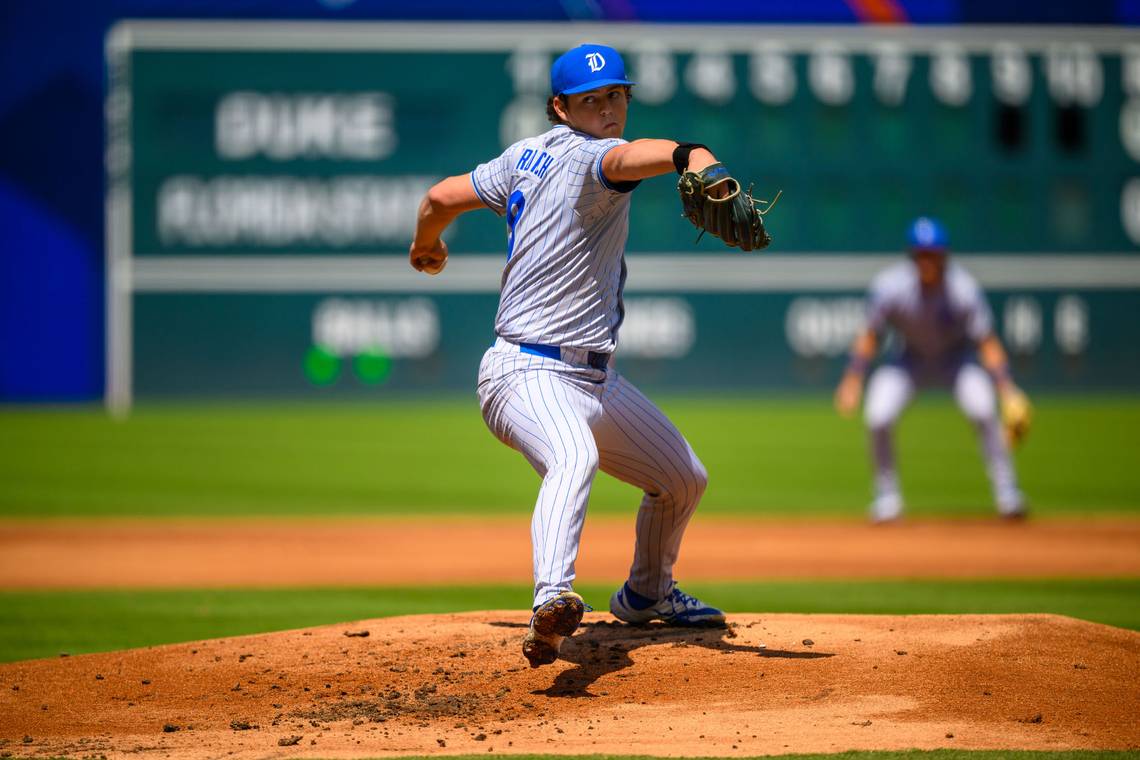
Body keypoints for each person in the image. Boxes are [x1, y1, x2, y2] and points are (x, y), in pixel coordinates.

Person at [409, 43, 732, 668]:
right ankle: (551, 599)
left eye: (616, 96)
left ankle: (646, 593)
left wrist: (427, 244)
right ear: (561, 107)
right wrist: (691, 155)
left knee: (682, 479)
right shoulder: (595, 158)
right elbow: (628, 158)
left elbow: (440, 197)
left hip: (594, 379)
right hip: (525, 370)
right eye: (591, 100)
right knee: (574, 455)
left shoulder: (521, 156)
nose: (607, 110)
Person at [834, 217, 1029, 523]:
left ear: (943, 256)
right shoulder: (892, 285)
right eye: (920, 254)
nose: (926, 261)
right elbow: (870, 334)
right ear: (912, 256)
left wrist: (1007, 389)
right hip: (909, 359)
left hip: (955, 360)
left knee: (983, 409)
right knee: (878, 415)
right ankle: (887, 498)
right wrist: (852, 378)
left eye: (932, 254)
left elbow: (986, 341)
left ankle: (1008, 494)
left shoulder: (962, 289)